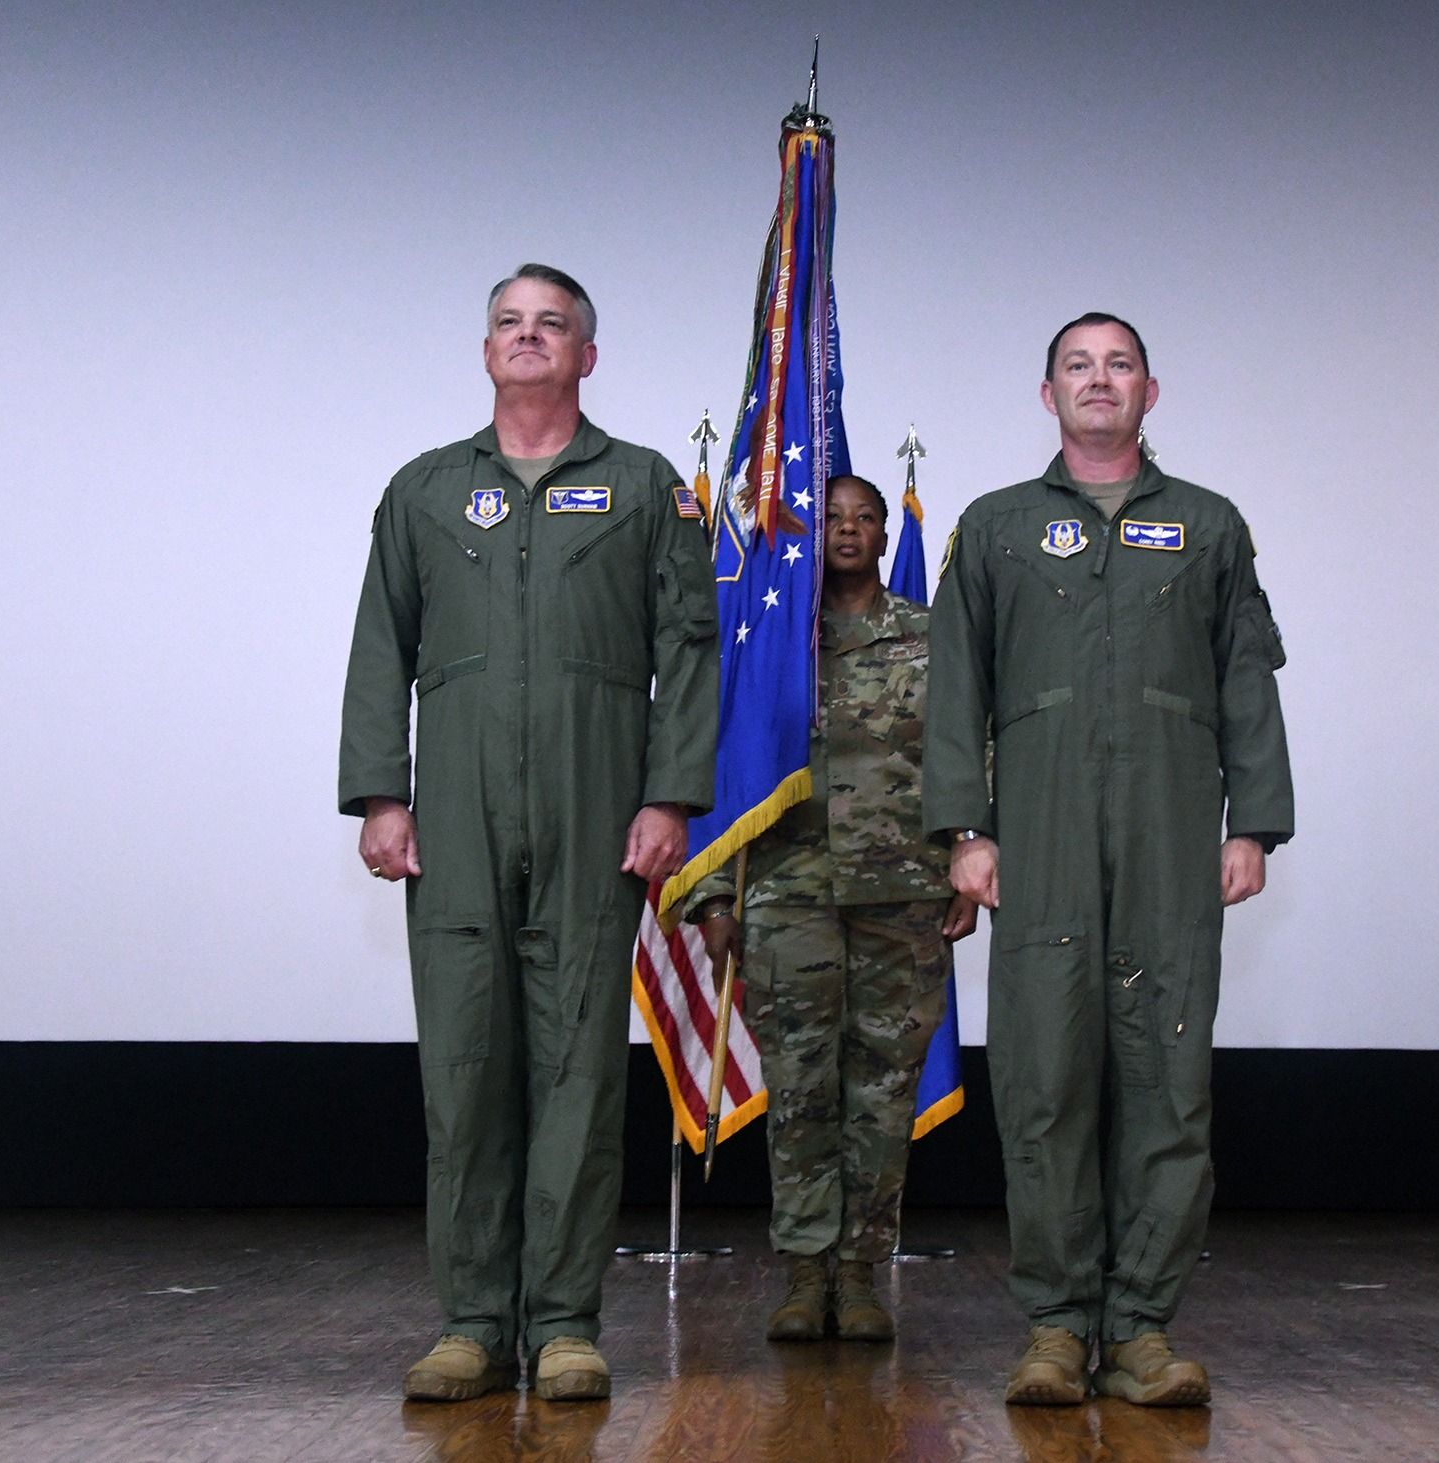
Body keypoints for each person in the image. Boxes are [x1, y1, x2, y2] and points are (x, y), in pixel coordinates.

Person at [338, 263, 718, 1403]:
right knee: (463, 1072)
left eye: (552, 325)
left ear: (586, 356)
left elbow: (687, 652)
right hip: (453, 811)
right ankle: (468, 1321)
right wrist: (381, 794)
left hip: (596, 808)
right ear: (486, 349)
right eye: (509, 322)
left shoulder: (645, 486)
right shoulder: (423, 490)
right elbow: (378, 650)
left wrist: (668, 796)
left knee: (576, 1074)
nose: (528, 337)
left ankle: (560, 1323)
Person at [923, 313, 1293, 1407]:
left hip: (1173, 829)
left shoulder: (1208, 524)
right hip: (1032, 833)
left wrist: (1251, 823)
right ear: (1047, 395)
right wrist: (964, 828)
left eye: (1116, 364)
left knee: (1166, 1086)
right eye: (1077, 366)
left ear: (1149, 391)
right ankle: (1051, 1323)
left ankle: (1137, 1327)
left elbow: (1245, 681)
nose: (1098, 380)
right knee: (1042, 1085)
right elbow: (955, 688)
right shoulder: (992, 528)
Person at [689, 475, 977, 1342]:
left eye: (864, 519)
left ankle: (859, 1276)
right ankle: (803, 1272)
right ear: (807, 534)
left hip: (905, 897)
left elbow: (977, 753)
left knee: (883, 1097)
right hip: (788, 895)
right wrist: (709, 891)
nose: (847, 531)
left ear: (886, 535)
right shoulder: (770, 641)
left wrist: (971, 861)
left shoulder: (933, 639)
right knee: (803, 1093)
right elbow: (722, 760)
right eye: (831, 518)